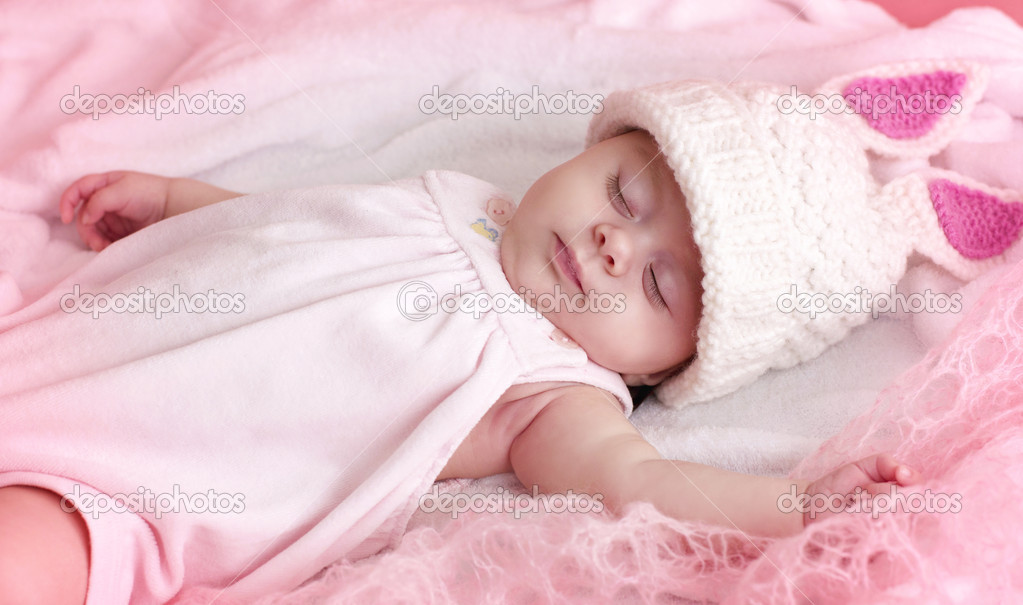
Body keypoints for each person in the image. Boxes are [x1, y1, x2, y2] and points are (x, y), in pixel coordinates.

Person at [3, 60, 1020, 604]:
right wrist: (184, 199)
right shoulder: (460, 196)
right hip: (66, 347)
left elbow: (643, 485)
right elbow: (293, 222)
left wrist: (797, 504)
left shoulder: (554, 386)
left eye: (663, 283)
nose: (616, 245)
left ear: (672, 366)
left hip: (128, 503)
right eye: (626, 190)